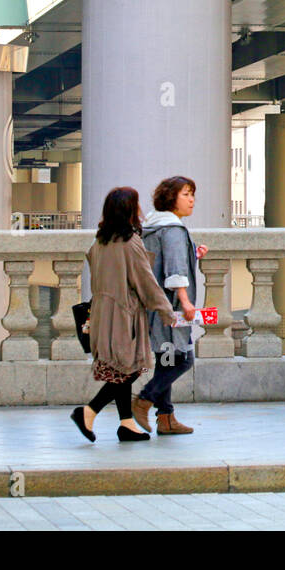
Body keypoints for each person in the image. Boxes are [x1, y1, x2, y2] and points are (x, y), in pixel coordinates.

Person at [71, 186, 175, 443]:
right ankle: (89, 411)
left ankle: (126, 424)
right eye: (136, 205)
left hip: (102, 314)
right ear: (130, 210)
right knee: (129, 368)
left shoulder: (100, 242)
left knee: (119, 367)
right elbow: (146, 282)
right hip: (124, 315)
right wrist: (165, 309)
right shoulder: (130, 243)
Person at [134, 176, 209, 435]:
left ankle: (166, 418)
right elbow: (175, 270)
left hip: (153, 304)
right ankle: (144, 399)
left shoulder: (153, 226)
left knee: (166, 359)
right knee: (183, 359)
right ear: (171, 198)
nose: (192, 200)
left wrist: (193, 254)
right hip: (172, 306)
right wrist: (186, 301)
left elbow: (160, 262)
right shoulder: (174, 229)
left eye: (192, 194)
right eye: (186, 194)